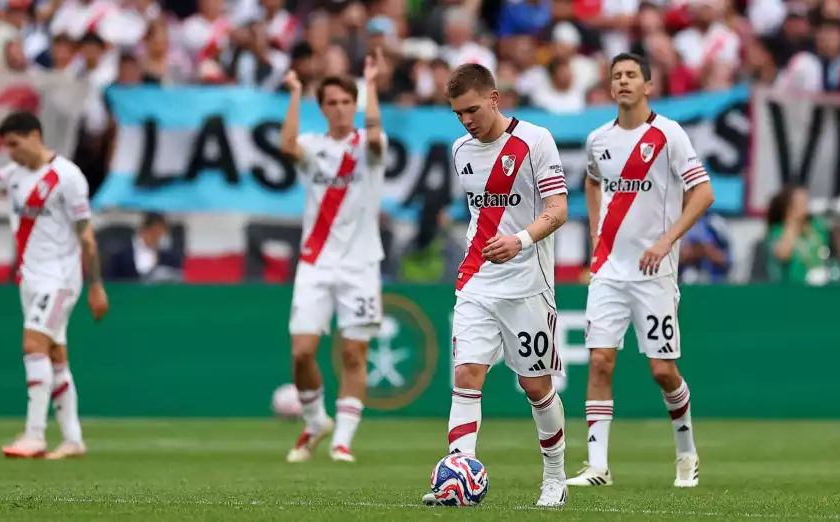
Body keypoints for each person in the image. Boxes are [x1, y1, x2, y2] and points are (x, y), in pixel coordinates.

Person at [422, 63, 570, 508]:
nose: (466, 120)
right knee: (466, 375)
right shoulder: (460, 151)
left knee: (535, 387)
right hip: (476, 281)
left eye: (471, 109)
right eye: (457, 114)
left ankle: (555, 478)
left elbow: (558, 208)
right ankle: (456, 479)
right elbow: (478, 214)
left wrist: (520, 240)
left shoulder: (535, 141)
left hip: (528, 284)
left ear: (494, 98)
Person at [568, 52, 715, 488]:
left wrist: (668, 240)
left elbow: (703, 192)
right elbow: (592, 181)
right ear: (611, 87)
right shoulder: (598, 139)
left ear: (648, 85)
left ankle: (686, 452)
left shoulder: (669, 135)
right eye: (617, 76)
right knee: (600, 362)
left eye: (632, 75)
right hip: (610, 270)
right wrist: (597, 235)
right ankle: (598, 466)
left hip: (655, 273)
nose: (624, 82)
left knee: (662, 372)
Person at [0, 110, 109, 459]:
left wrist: (96, 285)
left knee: (33, 344)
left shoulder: (67, 177)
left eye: (14, 144)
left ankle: (35, 434)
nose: (10, 153)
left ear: (35, 136)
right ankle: (73, 438)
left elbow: (86, 235)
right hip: (30, 278)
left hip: (59, 278)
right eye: (6, 147)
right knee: (56, 356)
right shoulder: (14, 175)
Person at [278, 49, 388, 464]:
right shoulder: (312, 145)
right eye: (332, 103)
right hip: (316, 261)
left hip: (360, 264)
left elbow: (375, 137)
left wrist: (372, 83)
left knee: (352, 353)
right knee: (302, 351)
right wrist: (294, 93)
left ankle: (343, 439)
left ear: (355, 105)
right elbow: (287, 145)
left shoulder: (368, 147)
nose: (341, 109)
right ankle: (314, 421)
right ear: (321, 108)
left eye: (347, 102)